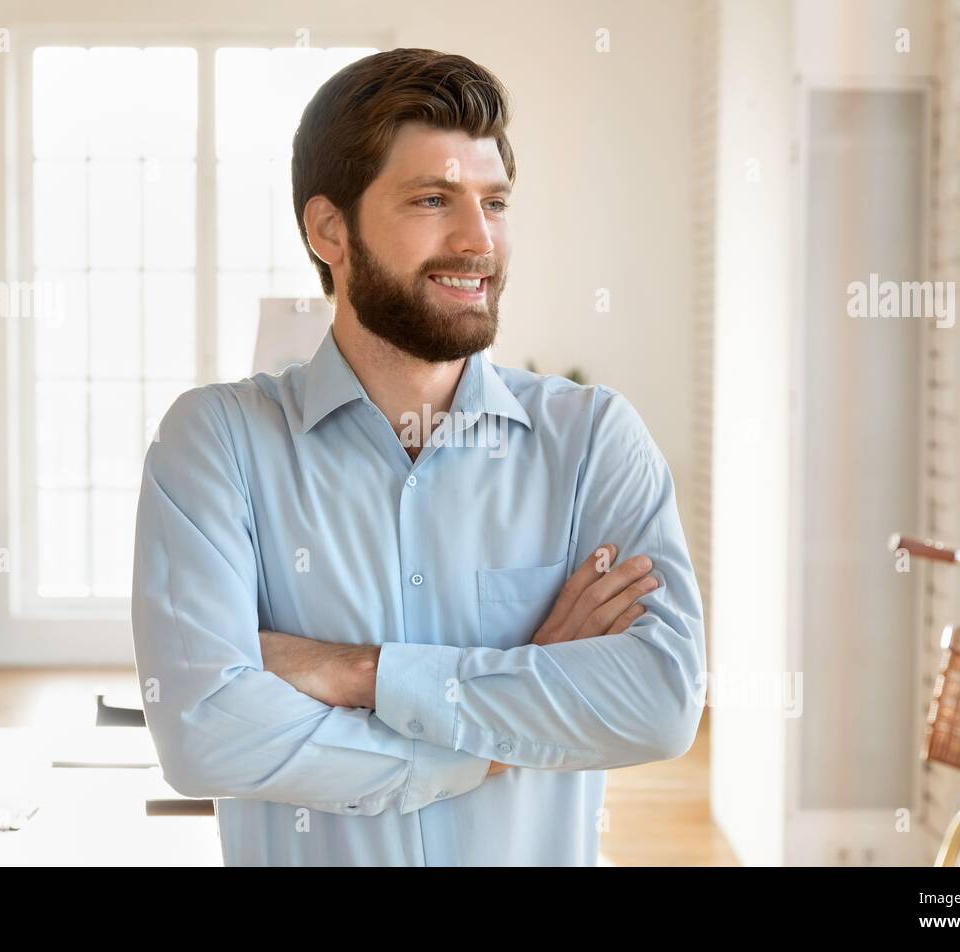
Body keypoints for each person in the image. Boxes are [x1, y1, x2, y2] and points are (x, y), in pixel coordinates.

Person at [131, 48, 705, 866]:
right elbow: (204, 735)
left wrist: (358, 674)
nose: (479, 241)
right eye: (433, 199)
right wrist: (507, 721)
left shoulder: (593, 442)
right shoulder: (217, 442)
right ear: (330, 229)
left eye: (495, 202)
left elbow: (657, 703)